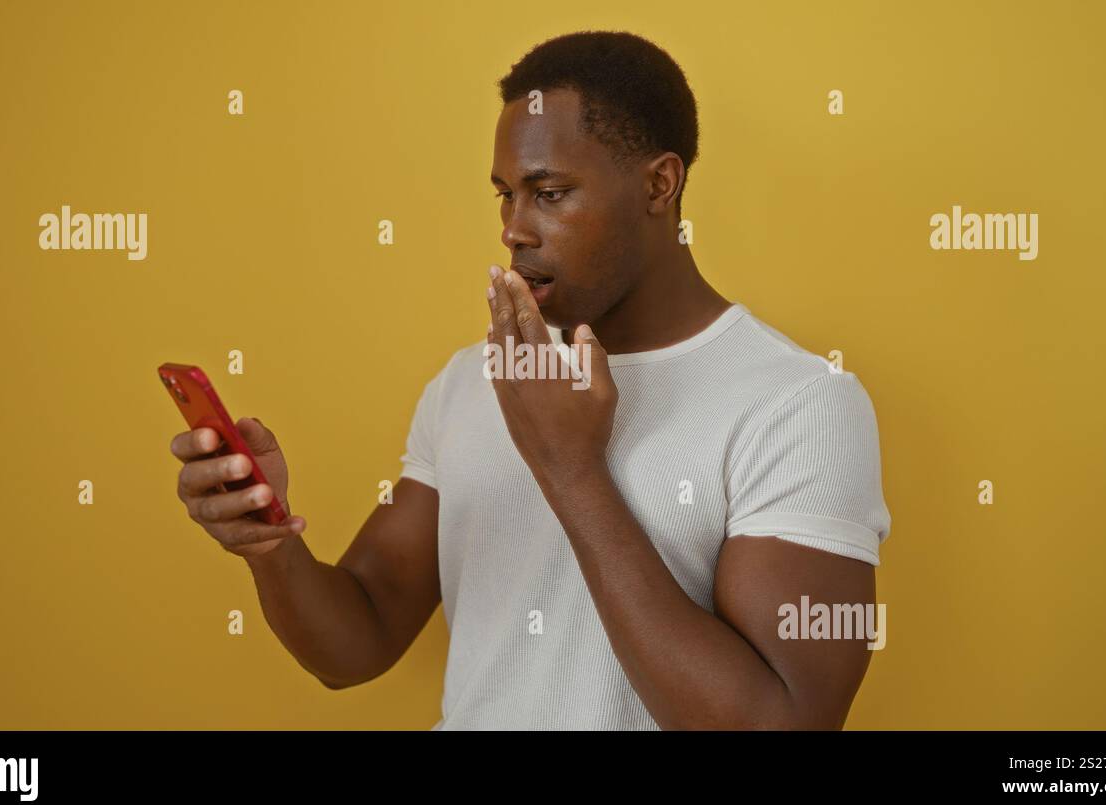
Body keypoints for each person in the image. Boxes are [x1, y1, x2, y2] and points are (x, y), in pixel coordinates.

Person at [169, 30, 892, 730]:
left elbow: (778, 723)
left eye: (548, 193)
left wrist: (571, 467)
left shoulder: (800, 403)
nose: (514, 228)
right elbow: (357, 641)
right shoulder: (473, 379)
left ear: (659, 185)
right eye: (505, 196)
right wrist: (271, 546)